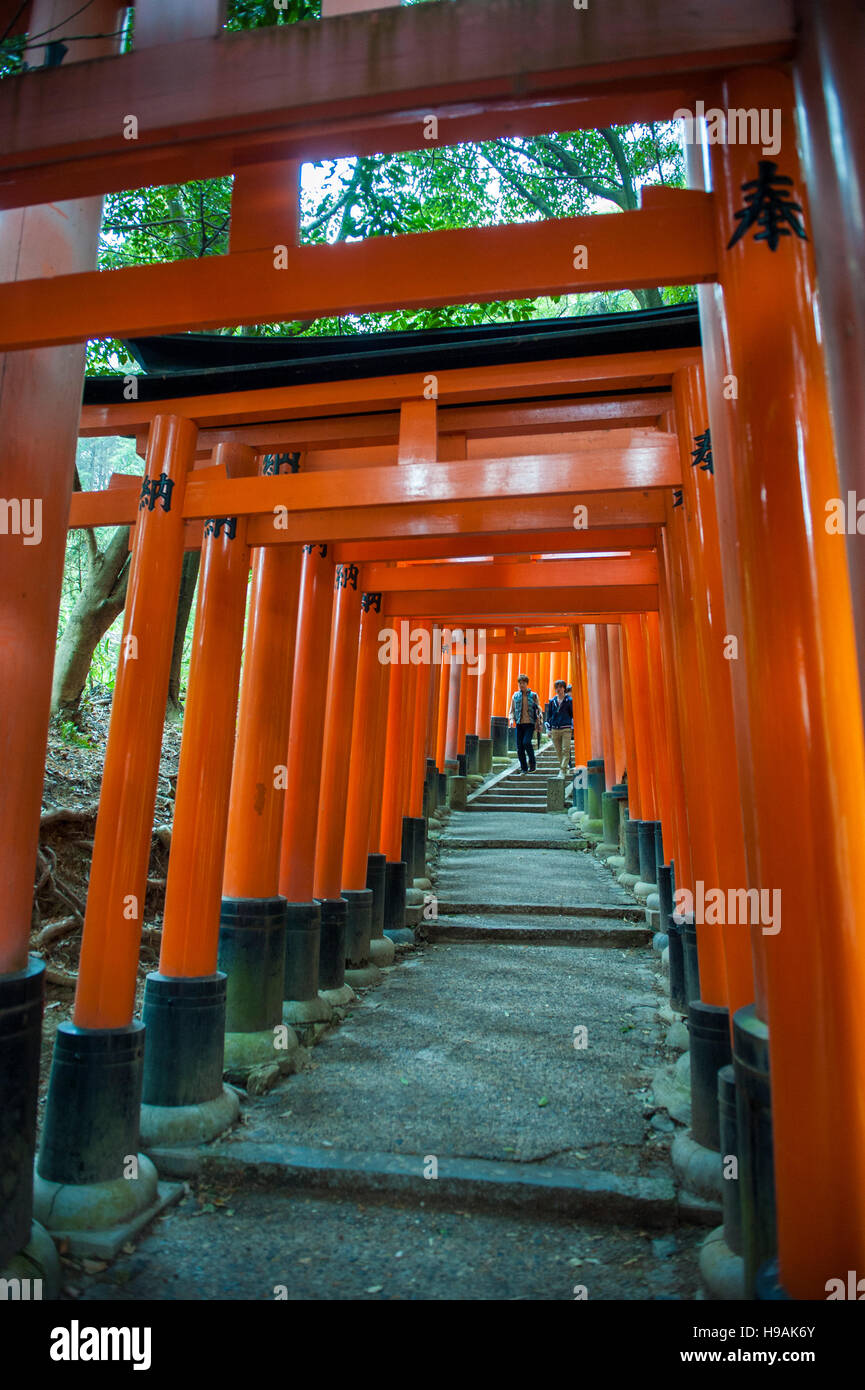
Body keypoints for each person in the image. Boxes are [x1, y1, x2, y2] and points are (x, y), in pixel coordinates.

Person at [509, 672, 542, 774]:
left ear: (527, 683)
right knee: (519, 748)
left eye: (523, 683)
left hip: (529, 723)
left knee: (526, 742)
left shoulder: (533, 695)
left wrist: (540, 723)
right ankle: (524, 768)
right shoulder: (515, 696)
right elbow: (512, 709)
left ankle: (532, 764)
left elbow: (539, 710)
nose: (521, 685)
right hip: (519, 724)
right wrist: (511, 719)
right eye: (520, 683)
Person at [544, 678, 574, 778]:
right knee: (558, 751)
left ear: (564, 688)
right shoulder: (552, 701)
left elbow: (572, 714)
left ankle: (562, 770)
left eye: (560, 687)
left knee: (565, 750)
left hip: (566, 728)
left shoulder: (569, 701)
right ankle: (564, 767)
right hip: (555, 728)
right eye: (556, 687)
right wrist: (548, 729)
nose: (558, 689)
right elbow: (549, 716)